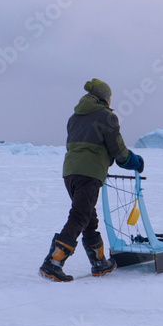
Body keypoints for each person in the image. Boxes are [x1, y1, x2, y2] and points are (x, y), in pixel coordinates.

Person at [40, 78, 144, 282]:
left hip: (70, 171)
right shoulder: (106, 116)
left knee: (87, 216)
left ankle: (99, 262)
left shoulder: (74, 117)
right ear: (105, 98)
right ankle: (53, 263)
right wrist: (135, 162)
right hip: (89, 173)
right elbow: (119, 151)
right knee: (79, 215)